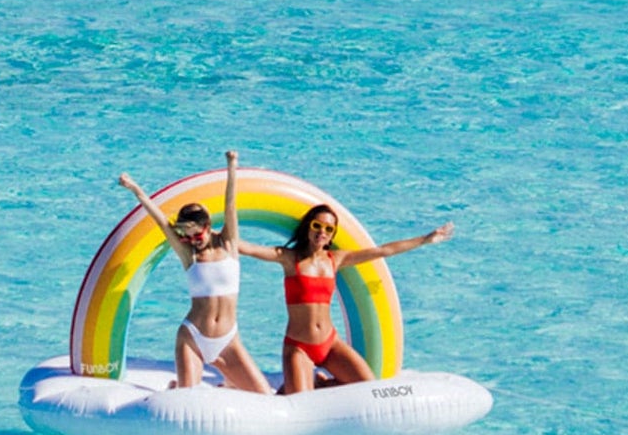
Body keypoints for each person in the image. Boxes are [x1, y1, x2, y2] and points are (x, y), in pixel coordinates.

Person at [240, 202, 453, 394]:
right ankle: (295, 386)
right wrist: (211, 233)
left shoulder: (336, 259)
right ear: (308, 227)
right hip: (299, 347)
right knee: (303, 403)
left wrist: (425, 240)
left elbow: (382, 251)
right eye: (317, 226)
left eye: (328, 229)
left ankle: (320, 384)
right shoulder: (289, 258)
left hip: (330, 343)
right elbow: (249, 249)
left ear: (332, 235)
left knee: (368, 387)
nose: (322, 232)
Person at [115, 150, 270, 395]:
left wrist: (232, 165)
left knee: (264, 395)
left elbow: (230, 204)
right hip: (194, 337)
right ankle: (180, 384)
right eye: (187, 236)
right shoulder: (190, 255)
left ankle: (222, 376)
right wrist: (135, 189)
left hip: (228, 339)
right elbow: (161, 222)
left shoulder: (228, 244)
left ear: (208, 227)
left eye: (197, 234)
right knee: (186, 399)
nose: (193, 240)